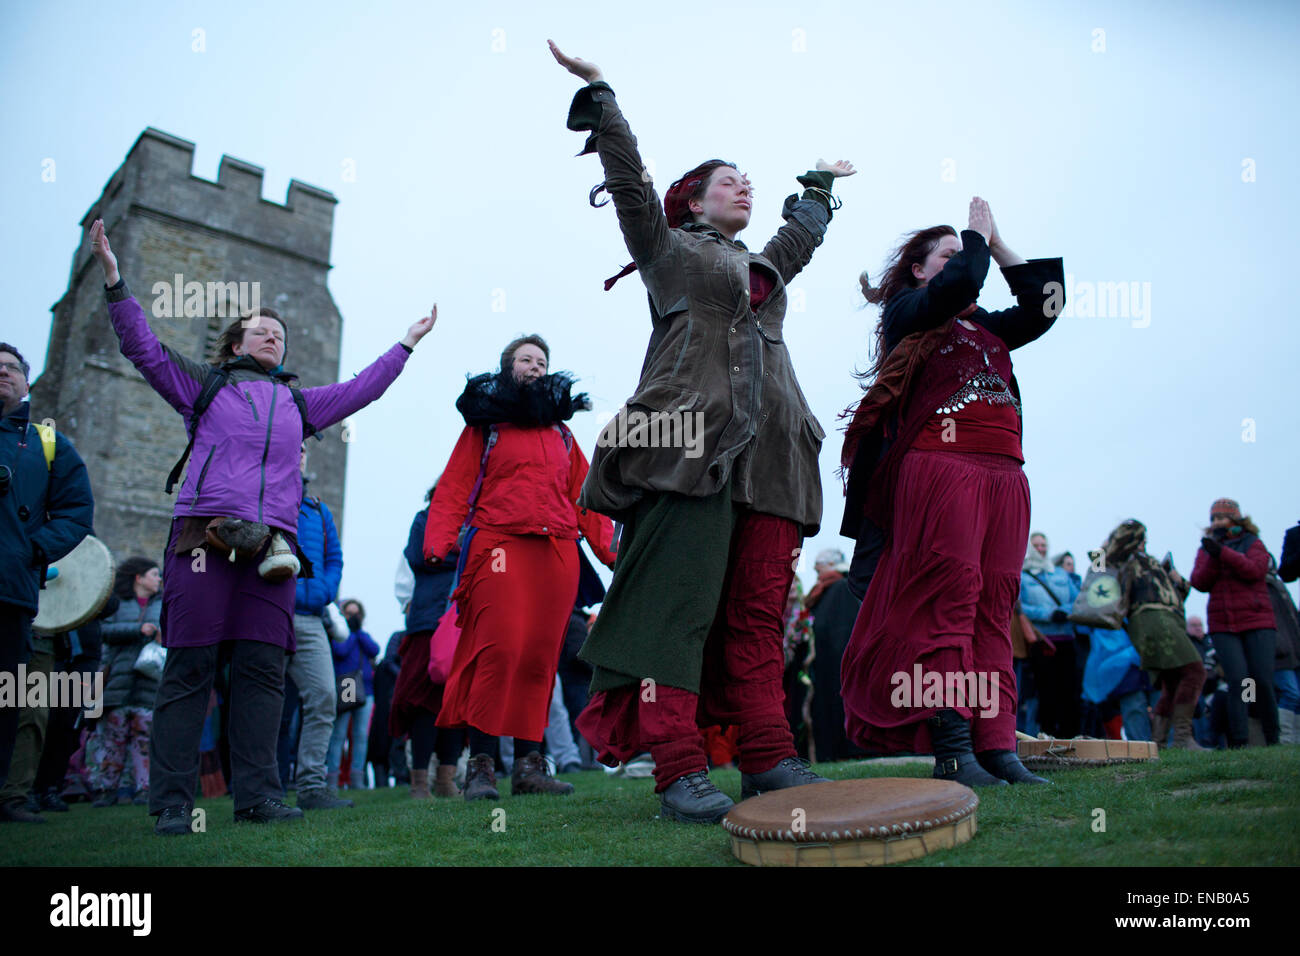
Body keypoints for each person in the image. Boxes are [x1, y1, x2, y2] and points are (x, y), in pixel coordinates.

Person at [549, 41, 852, 823]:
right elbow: (628, 184)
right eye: (727, 178)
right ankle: (680, 772)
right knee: (674, 613)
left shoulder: (763, 269)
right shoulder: (668, 249)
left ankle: (770, 761)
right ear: (691, 202)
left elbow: (799, 238)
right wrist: (602, 95)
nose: (742, 184)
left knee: (757, 616)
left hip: (776, 457)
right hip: (684, 448)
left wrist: (815, 189)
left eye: (747, 178)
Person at [88, 219, 437, 833]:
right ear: (234, 344)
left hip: (273, 549)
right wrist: (117, 284)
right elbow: (142, 348)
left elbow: (362, 390)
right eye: (261, 331)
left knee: (260, 673)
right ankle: (171, 801)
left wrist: (405, 344)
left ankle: (258, 798)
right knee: (189, 668)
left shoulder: (300, 404)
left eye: (280, 334)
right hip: (202, 537)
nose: (273, 337)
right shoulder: (205, 385)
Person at [838, 199, 1063, 787]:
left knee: (994, 605)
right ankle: (954, 747)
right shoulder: (907, 310)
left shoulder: (987, 324)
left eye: (970, 253)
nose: (968, 260)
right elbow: (961, 280)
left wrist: (1002, 242)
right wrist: (975, 242)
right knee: (951, 603)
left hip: (1004, 473)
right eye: (951, 253)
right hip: (941, 468)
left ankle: (998, 746)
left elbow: (1048, 305)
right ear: (919, 269)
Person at [423, 333, 616, 800]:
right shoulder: (485, 428)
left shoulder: (563, 435)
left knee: (538, 660)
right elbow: (454, 485)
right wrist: (438, 541)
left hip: (555, 553)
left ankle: (530, 768)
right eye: (525, 359)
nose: (535, 366)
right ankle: (482, 768)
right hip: (499, 547)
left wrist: (612, 552)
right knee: (498, 653)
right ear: (508, 368)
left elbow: (586, 498)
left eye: (541, 361)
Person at [0, 342, 94, 823]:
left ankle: (10, 798)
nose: (3, 372)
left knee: (15, 702)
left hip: (15, 590)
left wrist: (32, 550)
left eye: (11, 367)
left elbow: (78, 510)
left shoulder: (48, 443)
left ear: (26, 382)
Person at [286, 444, 352, 810]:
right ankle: (261, 787)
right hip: (270, 615)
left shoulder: (318, 509)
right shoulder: (262, 496)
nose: (300, 453)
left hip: (311, 619)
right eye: (294, 447)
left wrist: (325, 590)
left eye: (304, 449)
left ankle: (311, 787)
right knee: (268, 706)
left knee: (326, 697)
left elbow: (335, 559)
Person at [1104, 519, 1206, 749]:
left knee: (1172, 682)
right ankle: (1182, 737)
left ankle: (1159, 742)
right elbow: (1103, 567)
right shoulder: (1122, 559)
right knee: (1194, 671)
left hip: (1165, 620)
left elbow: (1175, 594)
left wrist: (1178, 581)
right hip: (1152, 620)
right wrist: (1128, 534)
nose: (1145, 541)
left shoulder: (1147, 561)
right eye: (1141, 538)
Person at [391, 487, 464, 798]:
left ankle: (446, 780)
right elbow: (424, 556)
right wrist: (462, 549)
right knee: (423, 703)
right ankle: (419, 782)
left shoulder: (473, 521)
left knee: (458, 701)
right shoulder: (424, 520)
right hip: (427, 622)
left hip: (462, 620)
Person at [1190, 498, 1279, 747]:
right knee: (1238, 681)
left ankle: (1271, 737)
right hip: (1224, 626)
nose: (1217, 522)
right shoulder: (1207, 549)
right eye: (1213, 519)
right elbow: (1199, 582)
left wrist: (1224, 553)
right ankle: (1240, 740)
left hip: (1256, 621)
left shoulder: (1252, 542)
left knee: (1259, 679)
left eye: (1221, 518)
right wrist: (1213, 554)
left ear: (1236, 519)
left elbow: (1254, 570)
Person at [86, 556, 162, 806]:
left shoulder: (161, 605)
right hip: (118, 679)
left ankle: (143, 789)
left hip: (149, 682)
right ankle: (106, 789)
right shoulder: (116, 604)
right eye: (154, 574)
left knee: (144, 738)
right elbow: (103, 632)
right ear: (138, 578)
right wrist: (137, 630)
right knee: (112, 737)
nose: (159, 579)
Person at [804, 549, 865, 763]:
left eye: (819, 564)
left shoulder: (841, 587)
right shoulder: (822, 592)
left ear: (832, 564)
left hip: (836, 667)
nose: (815, 569)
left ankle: (846, 750)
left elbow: (843, 631)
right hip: (824, 666)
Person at [1021, 533, 1081, 738]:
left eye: (1044, 544)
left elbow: (1078, 598)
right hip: (1042, 640)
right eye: (1036, 545)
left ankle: (1071, 736)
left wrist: (1065, 611)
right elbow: (1020, 608)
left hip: (1066, 638)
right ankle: (1048, 736)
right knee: (1046, 691)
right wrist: (1047, 615)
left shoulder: (1060, 575)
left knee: (1070, 690)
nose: (1041, 548)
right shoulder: (1023, 576)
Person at [327, 598, 379, 788]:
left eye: (356, 613)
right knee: (339, 733)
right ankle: (333, 777)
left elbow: (374, 650)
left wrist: (358, 632)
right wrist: (352, 633)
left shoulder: (361, 635)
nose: (353, 617)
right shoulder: (342, 637)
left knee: (360, 735)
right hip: (347, 685)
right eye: (349, 613)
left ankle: (357, 778)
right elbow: (340, 652)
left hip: (366, 688)